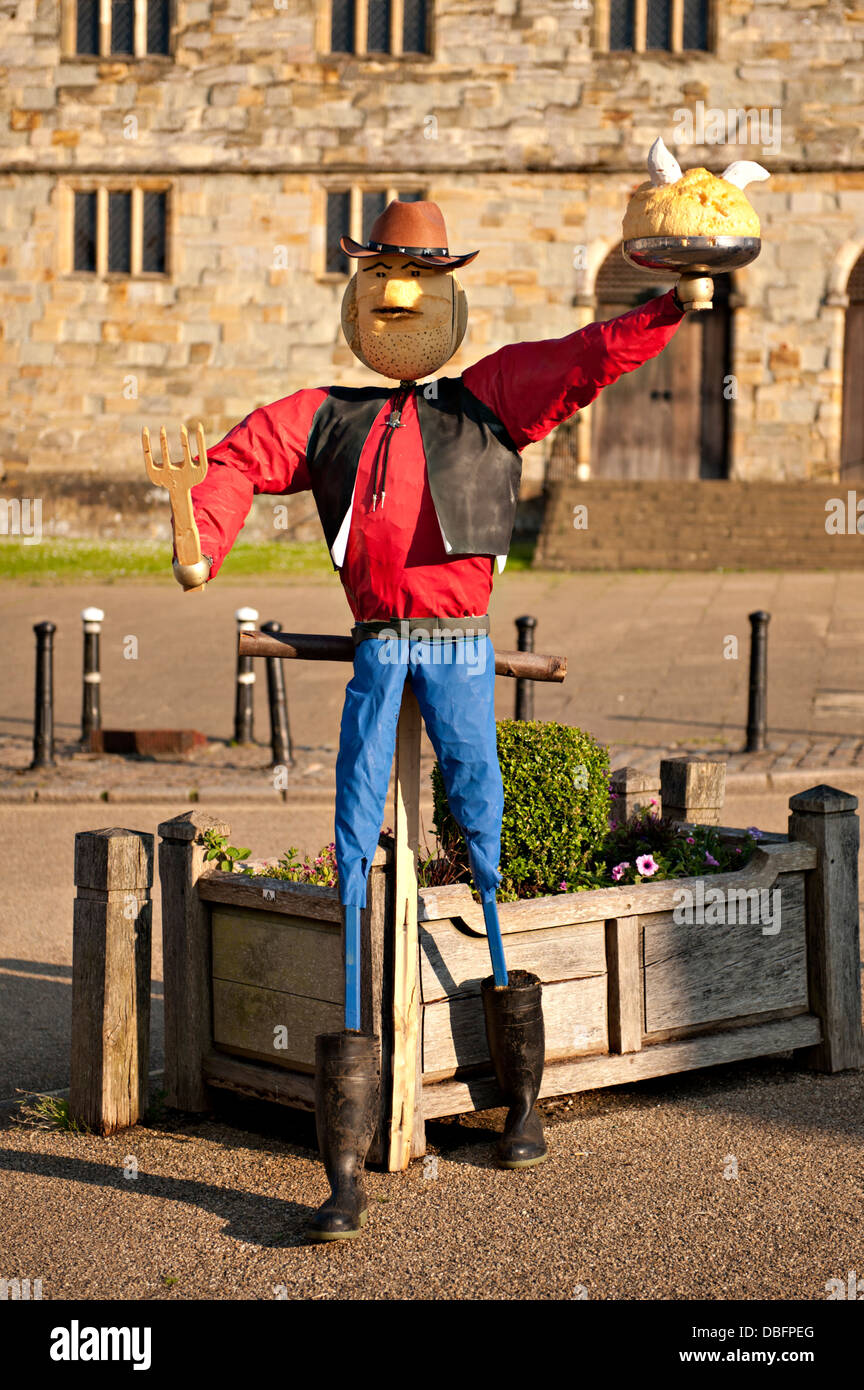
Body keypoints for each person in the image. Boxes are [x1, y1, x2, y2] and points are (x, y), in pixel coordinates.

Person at [171, 200, 695, 1241]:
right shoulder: (328, 415)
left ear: (447, 289)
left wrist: (668, 302)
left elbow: (583, 359)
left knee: (480, 821)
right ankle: (346, 1160)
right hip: (380, 642)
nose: (401, 292)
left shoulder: (489, 398)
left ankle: (518, 1098)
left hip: (458, 643)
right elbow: (234, 459)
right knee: (354, 831)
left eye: (419, 273)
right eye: (384, 273)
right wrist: (200, 533)